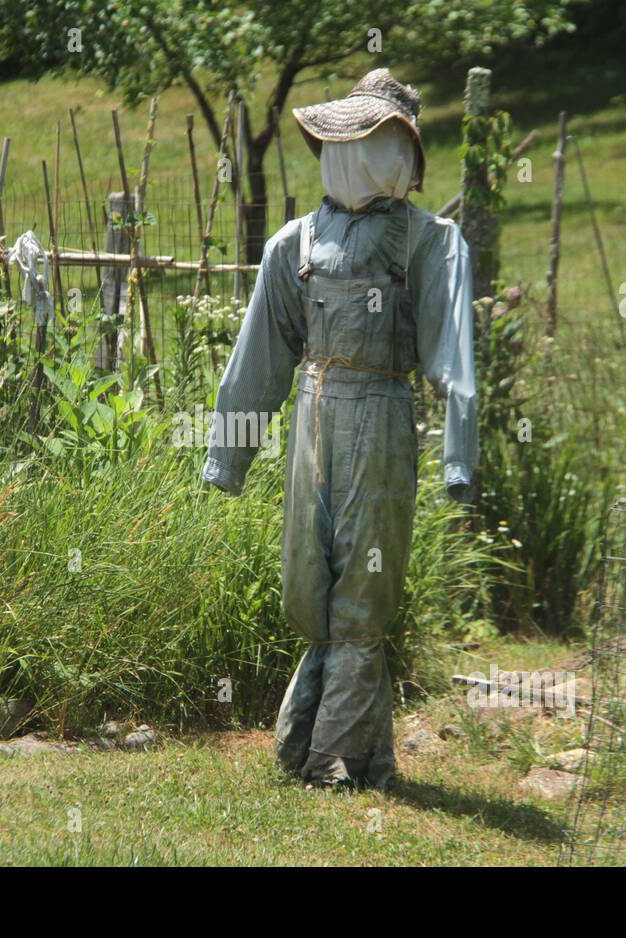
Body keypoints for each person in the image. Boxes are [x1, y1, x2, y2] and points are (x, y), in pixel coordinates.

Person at [202, 69, 478, 789]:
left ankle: (333, 761)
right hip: (314, 412)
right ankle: (332, 749)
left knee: (366, 579)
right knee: (309, 581)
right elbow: (258, 360)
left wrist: (459, 455)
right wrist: (227, 457)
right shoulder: (292, 245)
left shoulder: (431, 243)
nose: (354, 155)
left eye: (372, 141)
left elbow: (453, 357)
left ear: (401, 155)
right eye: (346, 141)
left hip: (382, 414)